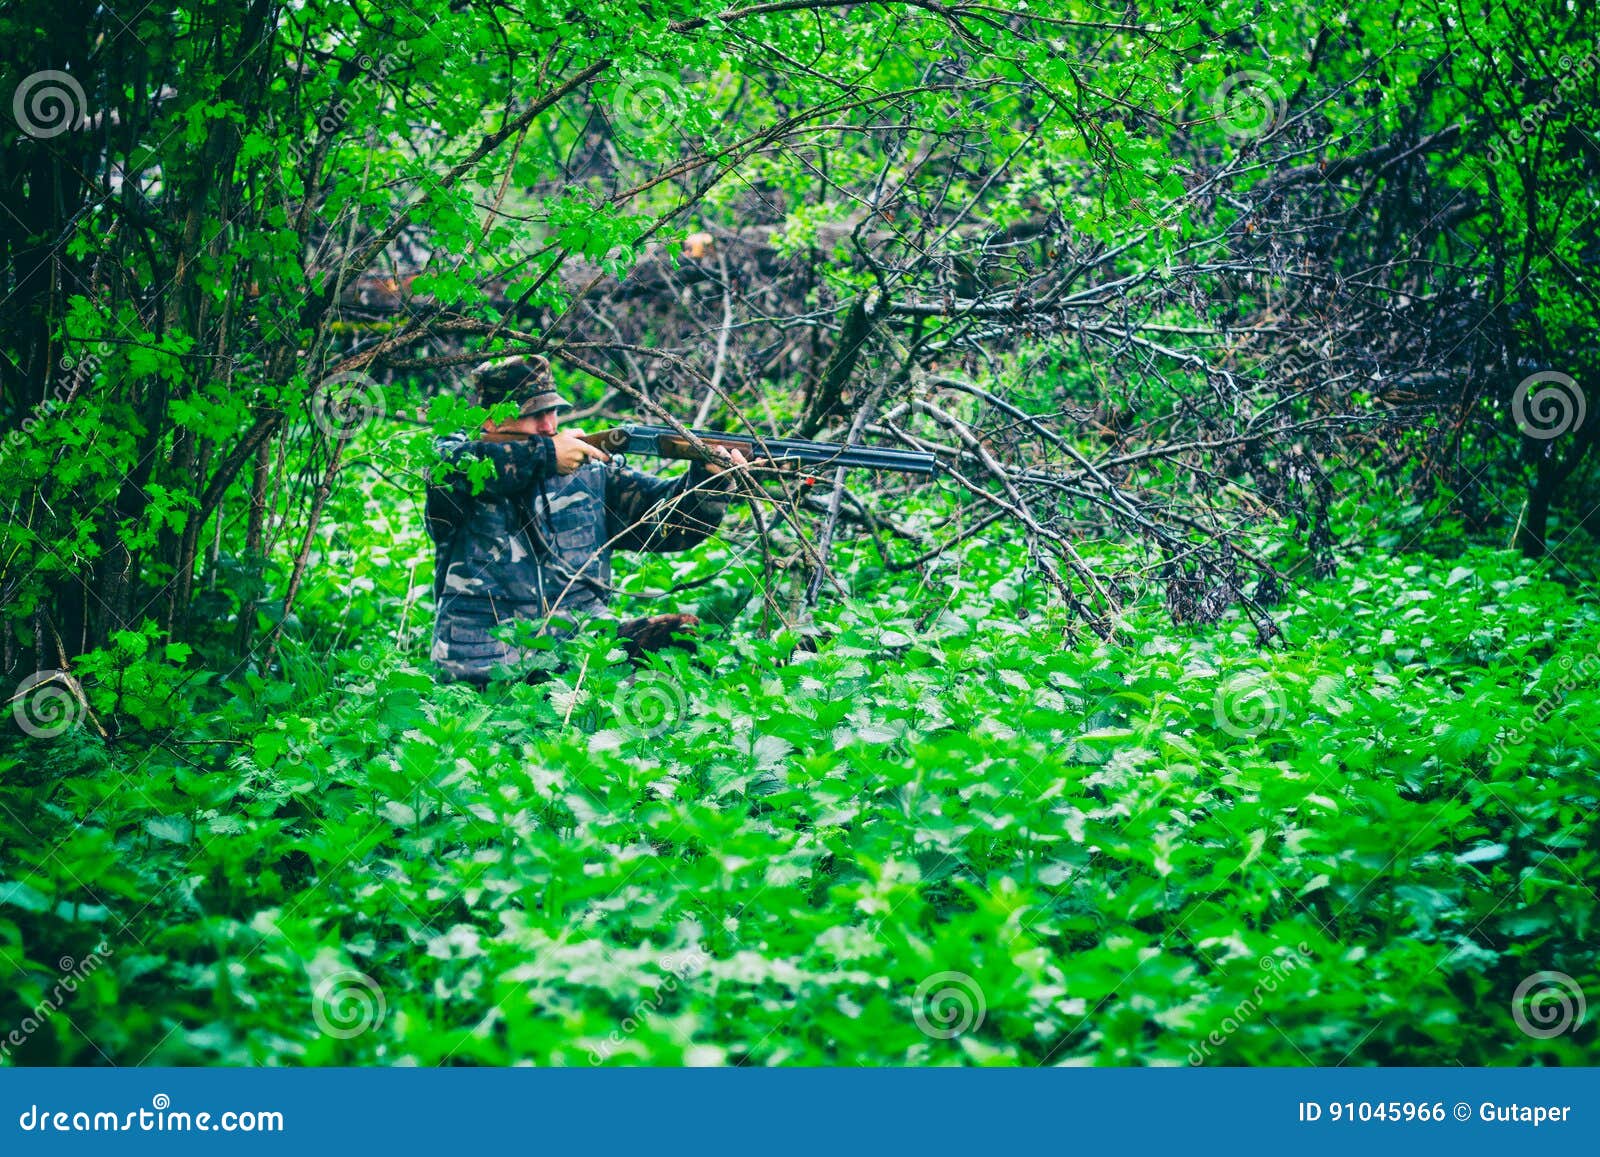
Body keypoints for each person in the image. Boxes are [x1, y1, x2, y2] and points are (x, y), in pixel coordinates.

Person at [424, 355, 748, 685]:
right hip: (487, 661)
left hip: (581, 650)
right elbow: (445, 463)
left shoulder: (589, 473)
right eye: (532, 415)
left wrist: (709, 482)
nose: (548, 426)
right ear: (490, 421)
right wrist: (544, 456)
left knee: (680, 635)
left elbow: (666, 526)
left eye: (551, 411)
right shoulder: (457, 474)